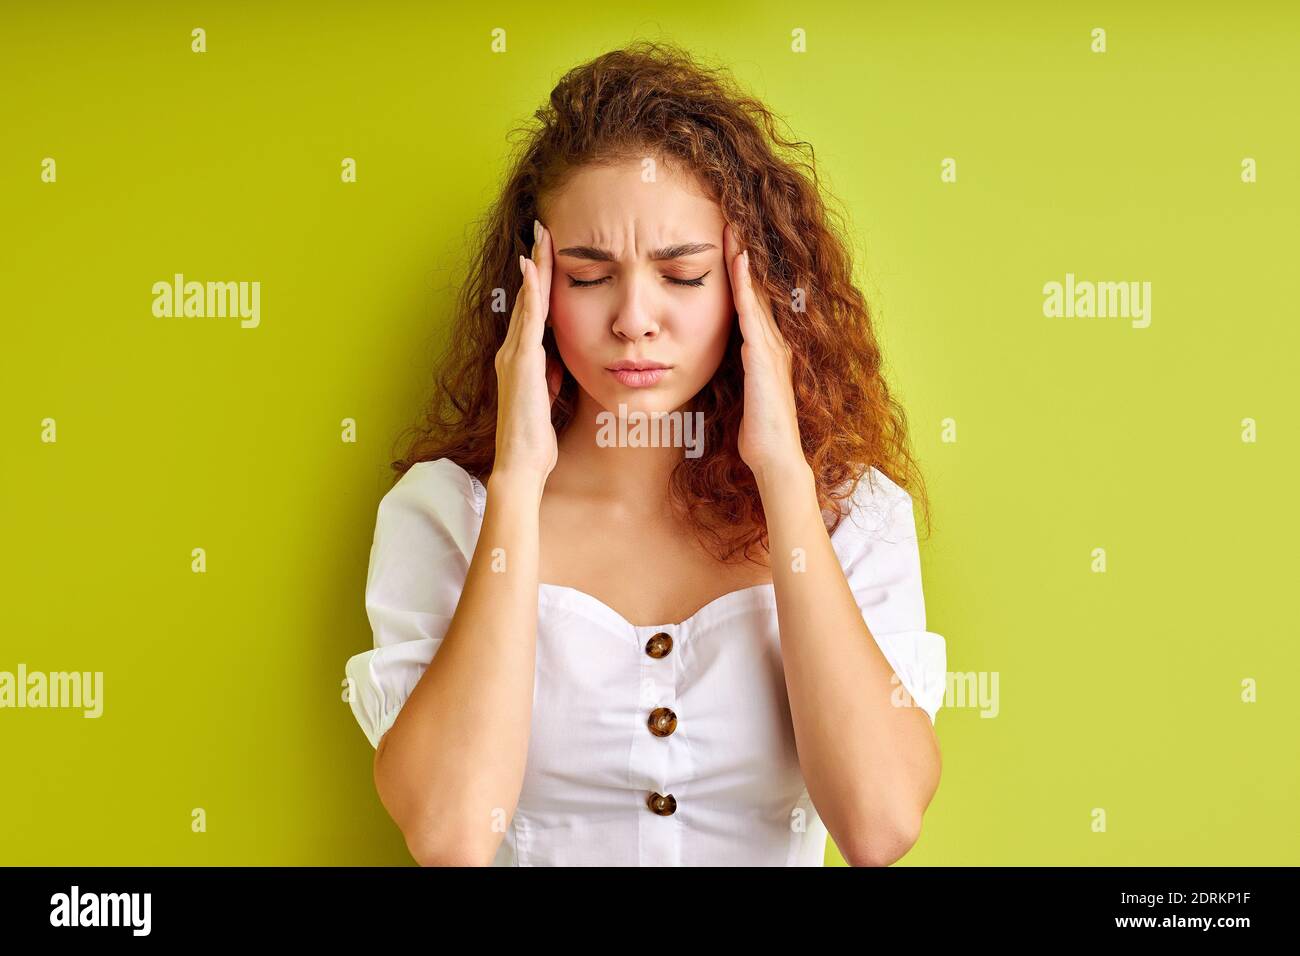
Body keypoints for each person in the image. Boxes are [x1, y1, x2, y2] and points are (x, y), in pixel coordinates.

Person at [344, 41, 947, 867]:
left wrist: (783, 475)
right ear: (533, 292)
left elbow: (878, 826)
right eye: (589, 276)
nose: (634, 318)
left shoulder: (853, 515)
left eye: (683, 274)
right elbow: (451, 836)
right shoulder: (445, 514)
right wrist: (518, 482)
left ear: (754, 292)